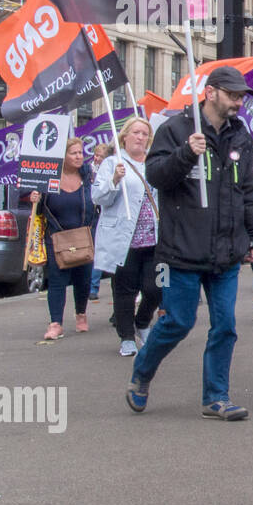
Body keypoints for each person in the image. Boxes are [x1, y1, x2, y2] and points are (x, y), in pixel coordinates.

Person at [128, 66, 253, 420]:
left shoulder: (240, 136)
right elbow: (156, 176)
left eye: (241, 96)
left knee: (225, 325)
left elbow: (247, 190)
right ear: (212, 92)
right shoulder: (175, 129)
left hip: (227, 251)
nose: (238, 102)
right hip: (181, 251)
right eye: (233, 95)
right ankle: (142, 372)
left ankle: (216, 396)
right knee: (178, 322)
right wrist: (185, 153)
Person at [92, 117, 161, 357]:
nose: (141, 137)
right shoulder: (113, 163)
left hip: (154, 238)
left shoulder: (154, 163)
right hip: (125, 239)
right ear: (124, 136)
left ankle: (142, 322)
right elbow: (98, 198)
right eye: (136, 132)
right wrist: (113, 181)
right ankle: (126, 337)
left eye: (145, 133)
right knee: (125, 291)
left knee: (157, 288)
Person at [39, 136, 96, 340]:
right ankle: (56, 323)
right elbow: (38, 209)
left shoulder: (88, 175)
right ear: (62, 156)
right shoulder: (49, 177)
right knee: (57, 279)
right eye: (74, 153)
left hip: (83, 234)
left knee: (84, 278)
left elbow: (98, 199)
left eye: (81, 152)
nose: (79, 156)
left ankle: (81, 313)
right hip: (57, 237)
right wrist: (34, 199)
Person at [88, 141, 112, 301]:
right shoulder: (89, 170)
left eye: (101, 157)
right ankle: (92, 287)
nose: (97, 159)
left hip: (105, 214)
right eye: (96, 155)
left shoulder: (111, 170)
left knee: (102, 251)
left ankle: (94, 286)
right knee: (93, 250)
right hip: (92, 215)